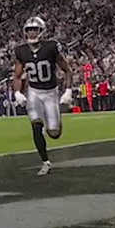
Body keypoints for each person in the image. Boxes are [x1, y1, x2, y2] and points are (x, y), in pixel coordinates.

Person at [13, 16, 73, 176]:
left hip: (51, 92)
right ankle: (45, 162)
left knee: (54, 134)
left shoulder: (51, 47)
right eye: (29, 30)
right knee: (36, 126)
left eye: (35, 30)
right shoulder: (21, 51)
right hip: (33, 92)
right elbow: (17, 76)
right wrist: (17, 92)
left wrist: (68, 90)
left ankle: (54, 121)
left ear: (42, 31)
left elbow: (67, 70)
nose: (32, 33)